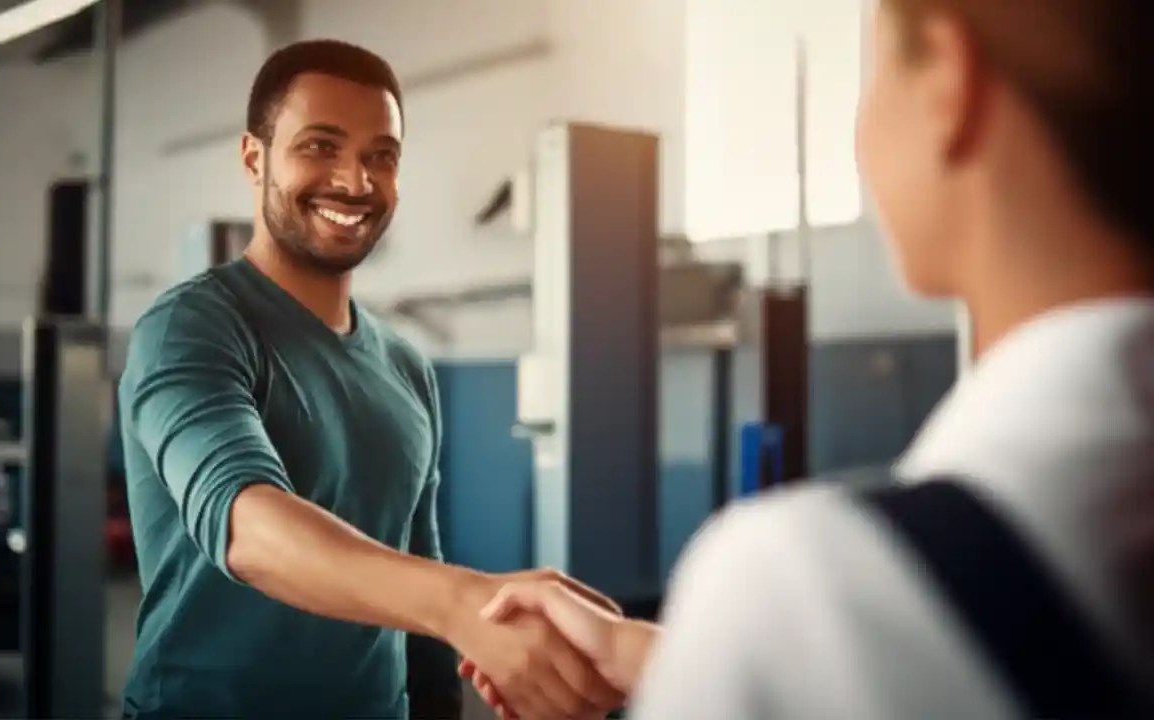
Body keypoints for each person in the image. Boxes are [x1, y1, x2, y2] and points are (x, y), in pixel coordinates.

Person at [465, 0, 1154, 717]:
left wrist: (730, 644)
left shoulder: (803, 588)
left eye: (875, 68)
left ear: (948, 83)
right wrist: (656, 652)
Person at [117, 39, 624, 720]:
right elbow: (247, 525)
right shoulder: (191, 327)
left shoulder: (406, 366)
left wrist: (446, 661)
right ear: (254, 157)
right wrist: (464, 602)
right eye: (320, 146)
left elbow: (417, 576)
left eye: (380, 156)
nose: (355, 182)